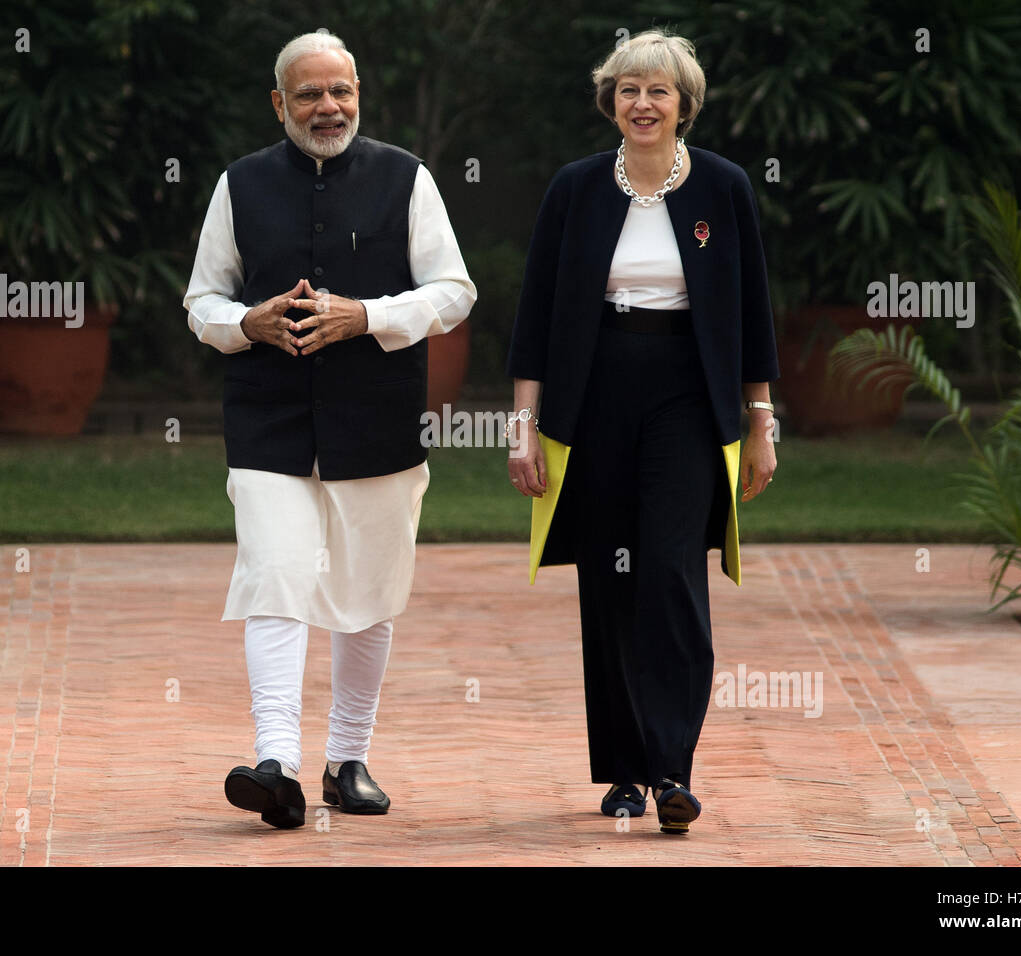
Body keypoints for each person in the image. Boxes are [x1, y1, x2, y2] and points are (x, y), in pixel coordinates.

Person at [183, 31, 475, 829]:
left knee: (368, 593)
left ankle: (348, 760)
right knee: (275, 574)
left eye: (340, 91)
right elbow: (201, 301)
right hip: (268, 420)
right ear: (280, 103)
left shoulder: (405, 178)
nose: (328, 107)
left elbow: (454, 291)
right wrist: (248, 321)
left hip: (376, 418)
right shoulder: (238, 185)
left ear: (358, 95)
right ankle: (274, 760)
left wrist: (367, 317)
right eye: (309, 94)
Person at [504, 28, 779, 834]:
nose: (643, 103)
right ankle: (622, 774)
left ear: (684, 103)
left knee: (669, 572)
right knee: (611, 578)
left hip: (688, 399)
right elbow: (536, 320)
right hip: (595, 395)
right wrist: (524, 426)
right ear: (610, 102)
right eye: (629, 89)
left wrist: (761, 421)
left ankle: (672, 769)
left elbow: (752, 315)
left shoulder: (724, 188)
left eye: (658, 91)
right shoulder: (576, 188)